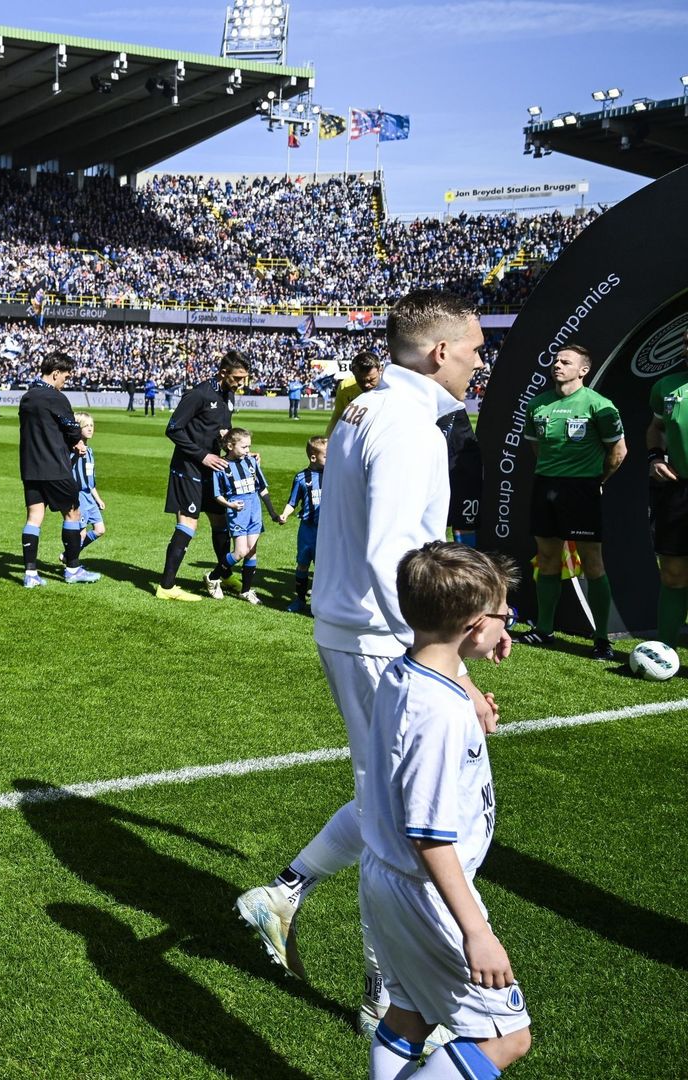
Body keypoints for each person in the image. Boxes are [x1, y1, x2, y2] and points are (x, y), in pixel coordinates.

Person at [236, 289, 499, 1034]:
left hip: (353, 625)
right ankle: (390, 989)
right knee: (415, 815)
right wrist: (449, 668)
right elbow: (396, 558)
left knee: (388, 799)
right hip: (382, 636)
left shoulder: (369, 406)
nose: (481, 361)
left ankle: (289, 896)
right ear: (439, 351)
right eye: (476, 348)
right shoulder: (407, 425)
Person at [358, 542, 532, 1080]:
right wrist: (476, 930)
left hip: (384, 878)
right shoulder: (439, 716)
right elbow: (429, 835)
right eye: (506, 617)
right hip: (425, 891)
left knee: (409, 1014)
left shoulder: (403, 672)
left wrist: (470, 684)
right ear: (476, 625)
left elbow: (446, 661)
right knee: (505, 1038)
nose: (509, 628)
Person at [518, 344, 625, 660]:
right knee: (547, 558)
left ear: (583, 370)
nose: (557, 364)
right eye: (555, 359)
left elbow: (618, 453)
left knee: (593, 564)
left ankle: (602, 638)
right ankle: (545, 629)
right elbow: (538, 449)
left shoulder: (598, 405)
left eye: (566, 361)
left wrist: (596, 481)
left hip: (582, 491)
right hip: (545, 488)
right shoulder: (537, 405)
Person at [154, 351, 249, 602]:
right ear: (222, 373)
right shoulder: (198, 394)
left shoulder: (228, 395)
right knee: (188, 524)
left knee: (220, 521)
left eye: (244, 378)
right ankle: (166, 587)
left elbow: (221, 433)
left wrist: (240, 452)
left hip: (212, 468)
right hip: (188, 468)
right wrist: (202, 455)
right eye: (237, 378)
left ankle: (224, 574)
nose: (241, 384)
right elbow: (173, 429)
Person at [16, 353, 96, 588]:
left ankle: (30, 574)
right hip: (55, 467)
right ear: (55, 373)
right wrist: (75, 441)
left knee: (34, 517)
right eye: (66, 377)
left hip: (30, 467)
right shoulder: (56, 398)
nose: (65, 382)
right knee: (73, 514)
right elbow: (73, 431)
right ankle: (72, 569)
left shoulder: (27, 397)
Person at [646, 326, 688, 646]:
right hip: (678, 491)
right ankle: (666, 651)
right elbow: (656, 428)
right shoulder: (667, 386)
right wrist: (656, 457)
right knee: (672, 574)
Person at [204, 427, 275, 604]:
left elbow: (262, 488)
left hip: (255, 511)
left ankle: (246, 591)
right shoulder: (220, 466)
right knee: (240, 552)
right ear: (230, 446)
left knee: (251, 551)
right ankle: (212, 577)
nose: (248, 451)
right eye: (244, 447)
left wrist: (272, 511)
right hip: (238, 513)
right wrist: (230, 504)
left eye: (249, 447)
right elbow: (217, 494)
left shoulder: (251, 462)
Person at [279, 436, 326, 614]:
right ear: (313, 457)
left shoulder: (334, 476)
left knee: (324, 567)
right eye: (326, 457)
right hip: (307, 530)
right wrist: (284, 514)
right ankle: (299, 600)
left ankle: (320, 601)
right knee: (303, 564)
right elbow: (293, 502)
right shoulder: (301, 477)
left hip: (327, 530)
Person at [327, 351, 385, 436]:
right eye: (361, 380)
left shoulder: (390, 387)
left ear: (380, 370)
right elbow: (337, 417)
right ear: (353, 374)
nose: (366, 385)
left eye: (371, 380)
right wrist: (328, 441)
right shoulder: (345, 387)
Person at [72, 413, 106, 553]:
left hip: (90, 497)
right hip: (79, 496)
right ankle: (72, 562)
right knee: (81, 532)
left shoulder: (90, 451)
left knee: (100, 530)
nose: (90, 429)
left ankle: (68, 555)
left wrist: (98, 499)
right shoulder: (74, 450)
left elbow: (90, 479)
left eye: (92, 425)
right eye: (86, 426)